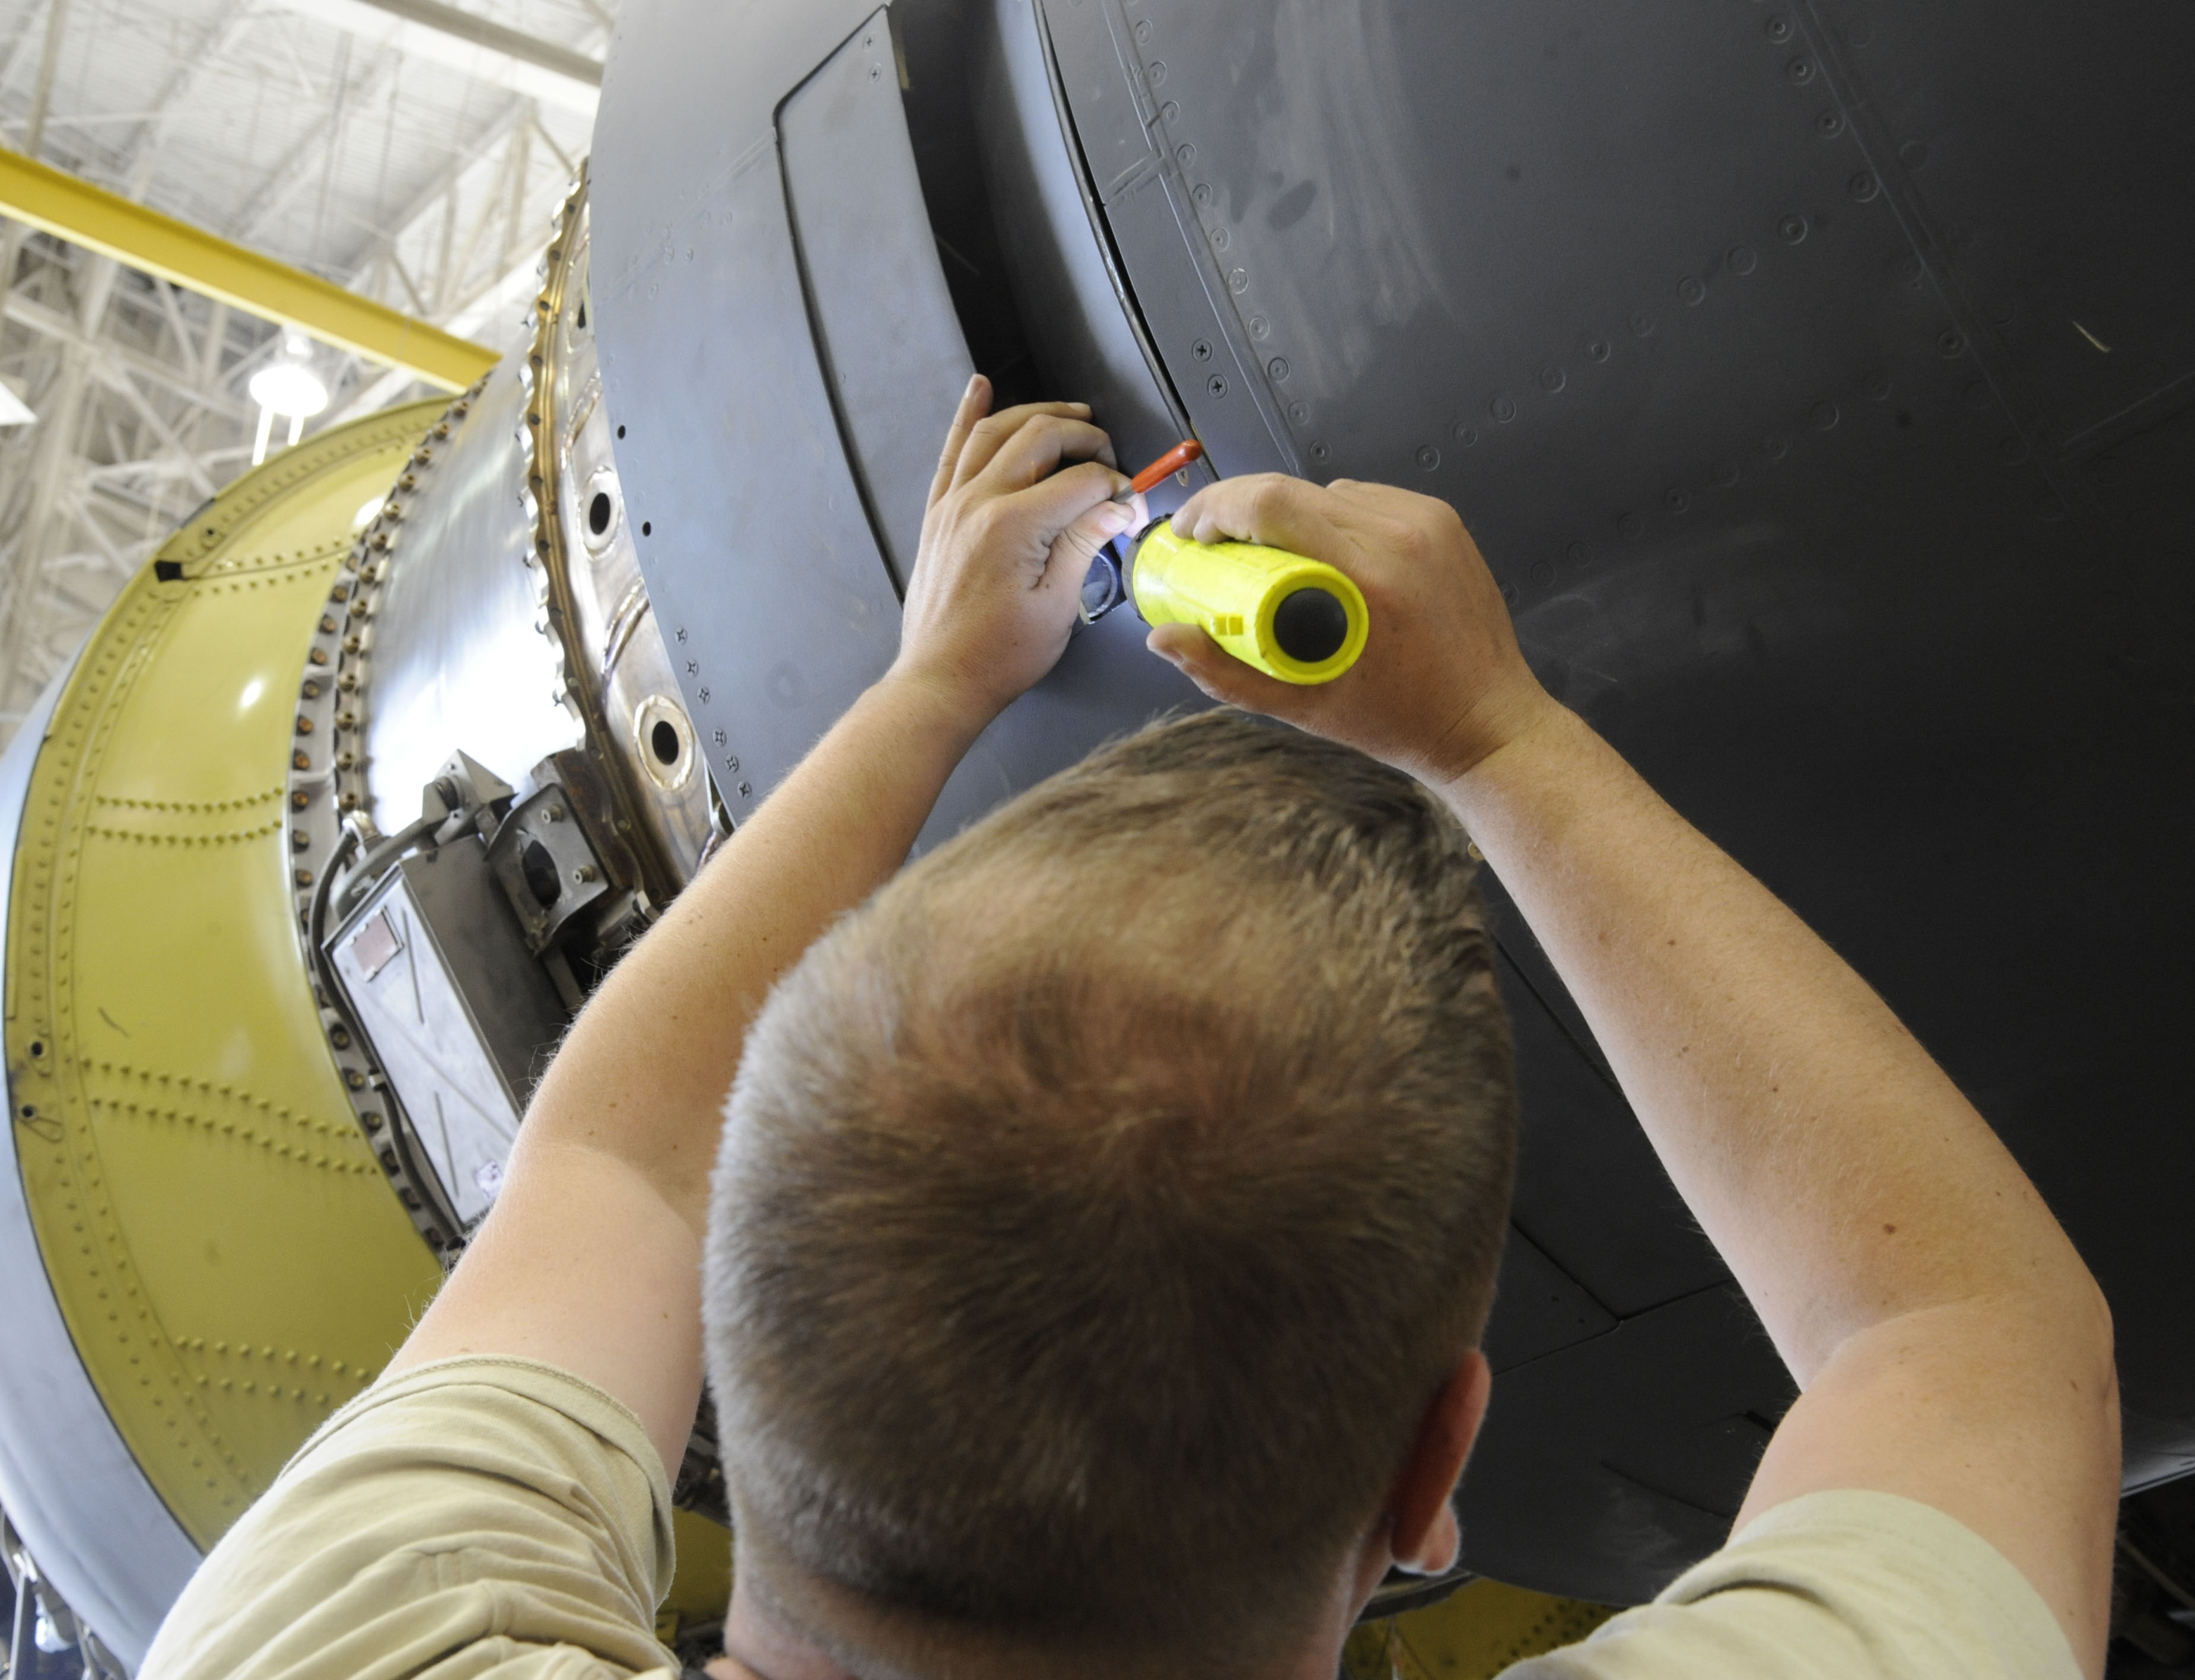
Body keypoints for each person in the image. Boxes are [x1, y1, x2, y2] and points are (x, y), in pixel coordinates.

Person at [141, 377, 2117, 1680]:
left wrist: (930, 687)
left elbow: (602, 1164)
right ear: (1437, 1470)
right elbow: (1965, 1337)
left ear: (726, 1345)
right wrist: (1491, 737)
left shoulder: (335, 1638)